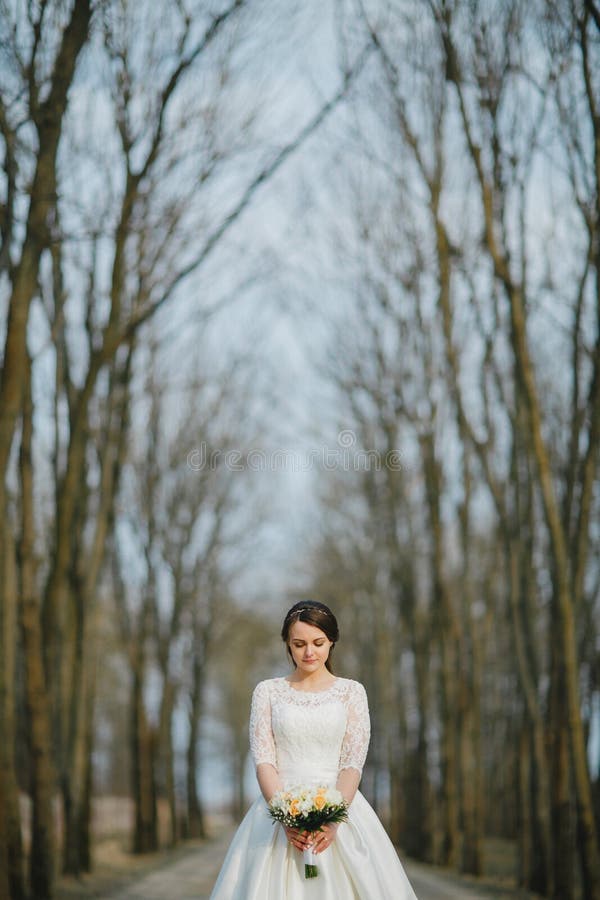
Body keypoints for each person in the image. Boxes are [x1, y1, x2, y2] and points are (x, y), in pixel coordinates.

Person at [209, 600, 419, 899]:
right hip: (279, 810)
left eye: (318, 643)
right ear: (288, 644)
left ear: (332, 641)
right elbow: (265, 761)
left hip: (340, 808)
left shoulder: (351, 692)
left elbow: (352, 763)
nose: (309, 652)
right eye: (299, 644)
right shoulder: (267, 692)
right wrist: (284, 817)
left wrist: (333, 821)